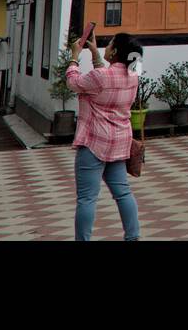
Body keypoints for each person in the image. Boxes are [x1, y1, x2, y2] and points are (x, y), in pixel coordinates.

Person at [66, 29, 142, 241]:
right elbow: (106, 80)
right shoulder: (133, 75)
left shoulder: (100, 77)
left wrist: (74, 57)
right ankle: (133, 236)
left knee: (87, 199)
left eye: (109, 45)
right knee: (123, 193)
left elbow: (73, 82)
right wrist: (96, 55)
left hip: (94, 142)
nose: (105, 47)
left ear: (115, 51)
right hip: (119, 143)